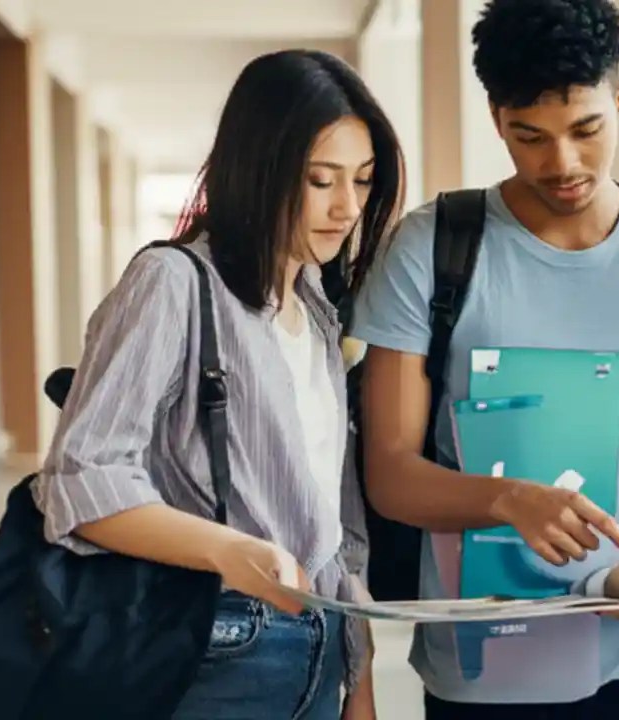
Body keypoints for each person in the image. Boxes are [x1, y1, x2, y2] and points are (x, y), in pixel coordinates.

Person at [350, 0, 619, 717]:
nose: (562, 163)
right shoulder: (433, 249)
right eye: (529, 137)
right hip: (479, 669)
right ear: (497, 118)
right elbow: (390, 473)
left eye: (587, 130)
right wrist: (506, 500)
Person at [31, 49, 404, 720]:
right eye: (321, 180)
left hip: (317, 653)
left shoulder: (317, 308)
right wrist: (230, 550)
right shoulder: (173, 283)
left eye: (365, 180)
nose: (348, 207)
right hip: (214, 646)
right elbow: (81, 481)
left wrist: (361, 676)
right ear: (258, 169)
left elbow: (336, 526)